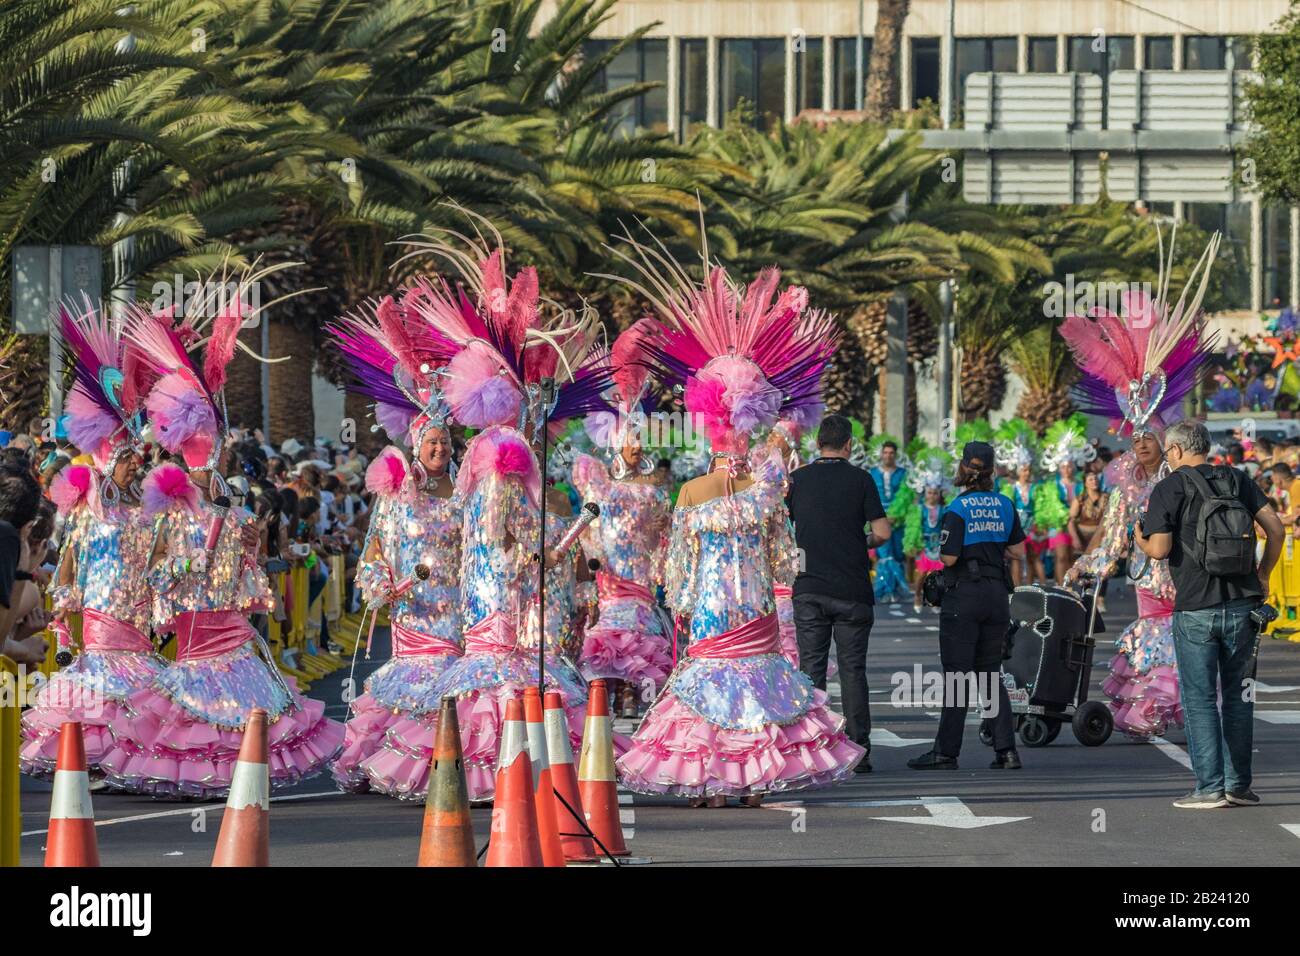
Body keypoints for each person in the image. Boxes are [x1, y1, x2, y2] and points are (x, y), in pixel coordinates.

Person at [610, 232, 864, 807]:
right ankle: (743, 782)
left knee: (721, 688)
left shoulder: (700, 490)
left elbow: (681, 566)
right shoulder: (753, 487)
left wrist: (680, 595)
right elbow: (777, 553)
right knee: (744, 687)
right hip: (741, 604)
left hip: (718, 607)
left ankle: (714, 784)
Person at [98, 277, 344, 798]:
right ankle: (205, 771)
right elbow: (148, 565)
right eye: (215, 451)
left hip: (226, 624)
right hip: (193, 626)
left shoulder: (231, 508)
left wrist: (247, 547)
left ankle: (230, 769)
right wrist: (180, 571)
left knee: (240, 699)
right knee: (197, 700)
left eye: (221, 453)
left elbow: (248, 570)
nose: (222, 460)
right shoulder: (167, 503)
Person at [325, 302, 466, 797]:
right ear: (416, 444)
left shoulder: (466, 492)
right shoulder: (397, 494)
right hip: (413, 608)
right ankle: (384, 762)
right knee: (411, 682)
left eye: (446, 444)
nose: (440, 450)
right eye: (432, 443)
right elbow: (374, 549)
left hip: (457, 608)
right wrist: (380, 583)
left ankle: (439, 764)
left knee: (451, 682)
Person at [20, 303, 165, 778]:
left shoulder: (136, 500)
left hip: (135, 607)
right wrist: (66, 594)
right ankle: (96, 756)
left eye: (136, 460)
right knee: (103, 678)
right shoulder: (97, 493)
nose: (135, 465)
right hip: (102, 605)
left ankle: (130, 756)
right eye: (128, 460)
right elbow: (75, 549)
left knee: (139, 680)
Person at [1136, 419, 1283, 809]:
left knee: (1200, 698)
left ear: (1178, 451)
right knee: (1239, 697)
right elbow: (1276, 529)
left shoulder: (1170, 487)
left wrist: (1140, 537)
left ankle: (1209, 788)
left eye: (1168, 451)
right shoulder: (1237, 479)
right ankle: (1239, 786)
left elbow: (1159, 550)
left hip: (1197, 608)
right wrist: (1263, 575)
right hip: (1244, 605)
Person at [573, 320, 672, 717]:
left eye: (639, 439)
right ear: (616, 444)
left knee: (641, 635)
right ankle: (611, 694)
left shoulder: (654, 490)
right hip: (611, 577)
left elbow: (666, 533)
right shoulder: (599, 486)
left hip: (642, 577)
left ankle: (633, 692)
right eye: (630, 440)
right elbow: (588, 528)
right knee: (611, 635)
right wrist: (594, 560)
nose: (636, 446)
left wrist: (664, 567)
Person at [909, 440, 1025, 771]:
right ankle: (1007, 751)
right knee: (990, 673)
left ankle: (946, 752)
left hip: (964, 596)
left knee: (958, 675)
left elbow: (949, 556)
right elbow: (1017, 550)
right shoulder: (1004, 504)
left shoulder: (958, 508)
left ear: (963, 469)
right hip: (996, 596)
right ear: (991, 472)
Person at [785, 413, 889, 773]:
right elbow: (884, 532)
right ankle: (860, 749)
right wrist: (860, 541)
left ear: (817, 444)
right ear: (849, 445)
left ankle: (811, 748)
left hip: (809, 587)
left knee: (810, 671)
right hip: (853, 592)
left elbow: (780, 530)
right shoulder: (862, 480)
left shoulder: (796, 480)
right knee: (852, 671)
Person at [867, 437, 910, 603]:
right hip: (878, 518)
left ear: (896, 455)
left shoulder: (902, 473)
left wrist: (896, 515)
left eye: (891, 453)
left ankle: (896, 590)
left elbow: (906, 497)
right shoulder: (872, 473)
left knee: (897, 554)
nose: (888, 456)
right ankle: (883, 589)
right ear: (881, 454)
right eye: (885, 452)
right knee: (884, 554)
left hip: (898, 520)